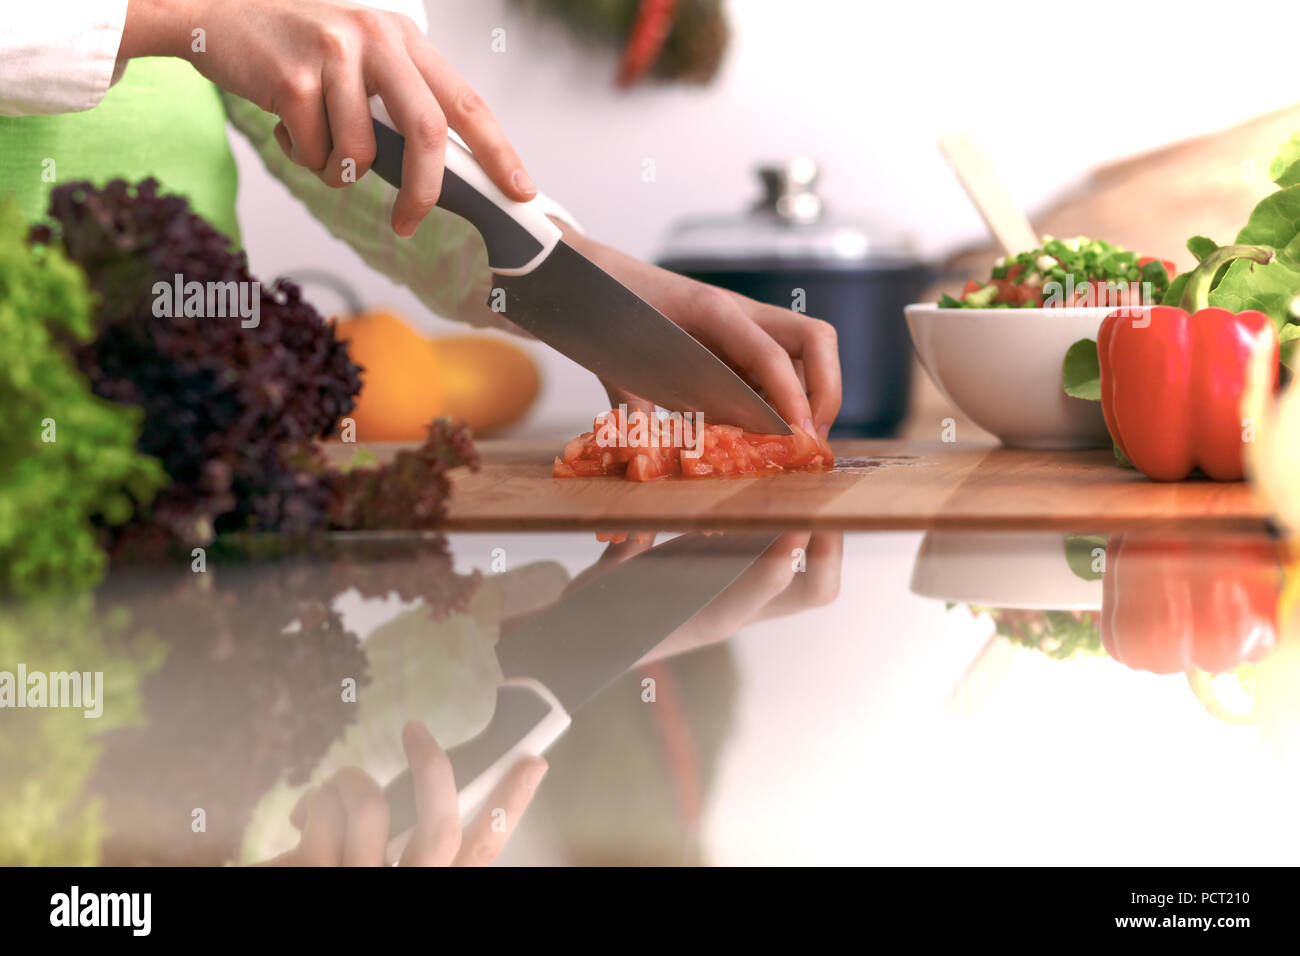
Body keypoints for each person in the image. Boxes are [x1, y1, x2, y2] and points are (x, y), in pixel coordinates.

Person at [0, 0, 841, 437]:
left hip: (181, 423)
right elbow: (214, 23)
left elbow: (335, 101)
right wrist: (175, 19)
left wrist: (571, 267)